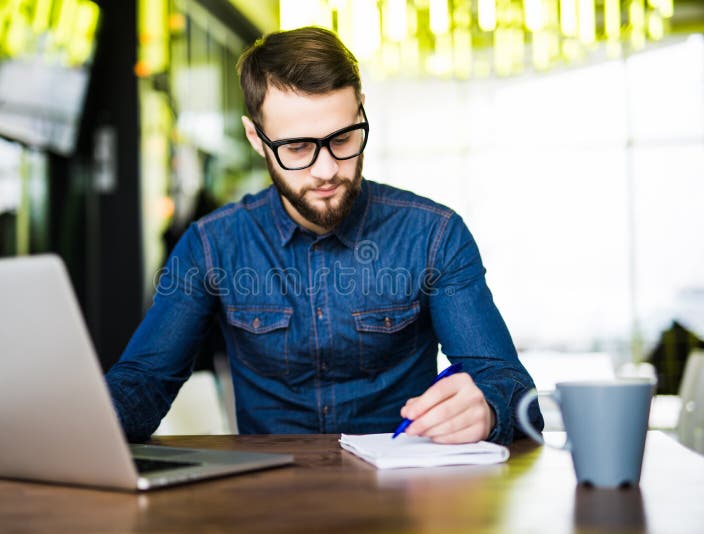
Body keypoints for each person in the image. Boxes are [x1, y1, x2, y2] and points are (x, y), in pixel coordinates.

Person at [106, 26, 544, 445]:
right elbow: (142, 385)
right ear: (256, 138)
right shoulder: (210, 245)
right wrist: (83, 423)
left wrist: (488, 406)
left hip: (401, 499)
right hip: (269, 504)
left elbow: (513, 391)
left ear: (361, 111)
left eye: (343, 138)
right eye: (297, 148)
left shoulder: (435, 235)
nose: (326, 170)